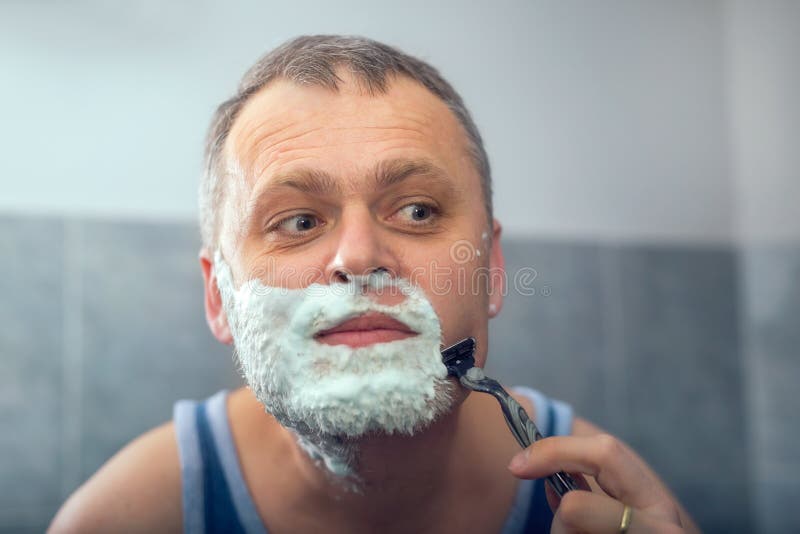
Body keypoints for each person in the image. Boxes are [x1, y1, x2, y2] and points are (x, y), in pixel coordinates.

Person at [49, 35, 699, 533]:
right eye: (299, 221)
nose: (359, 257)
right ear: (219, 296)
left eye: (417, 211)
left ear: (492, 271)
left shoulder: (603, 499)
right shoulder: (129, 517)